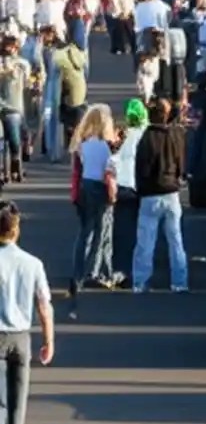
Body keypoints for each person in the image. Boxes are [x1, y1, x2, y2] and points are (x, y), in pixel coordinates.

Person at [0, 200, 54, 424]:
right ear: (16, 229)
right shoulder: (33, 263)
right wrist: (49, 340)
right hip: (21, 336)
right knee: (18, 399)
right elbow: (44, 305)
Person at [132, 98, 188, 292]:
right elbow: (181, 163)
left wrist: (140, 188)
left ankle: (141, 281)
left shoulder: (147, 138)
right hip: (172, 192)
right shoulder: (176, 134)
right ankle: (179, 282)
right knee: (176, 240)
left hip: (150, 194)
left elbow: (141, 168)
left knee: (145, 242)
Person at [69, 104, 120, 298]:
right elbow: (110, 169)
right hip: (100, 188)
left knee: (84, 233)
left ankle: (78, 274)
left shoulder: (82, 144)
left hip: (84, 187)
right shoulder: (105, 147)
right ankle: (96, 270)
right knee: (101, 231)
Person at [113, 99, 146, 284]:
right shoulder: (146, 135)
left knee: (121, 231)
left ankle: (120, 270)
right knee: (141, 232)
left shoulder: (122, 135)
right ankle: (138, 271)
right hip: (139, 186)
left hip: (121, 185)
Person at [44, 24, 86, 159]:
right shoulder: (74, 50)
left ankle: (53, 151)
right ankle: (75, 147)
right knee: (76, 121)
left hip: (65, 93)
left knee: (53, 118)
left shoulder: (56, 56)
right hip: (79, 91)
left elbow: (51, 78)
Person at [0, 35, 30, 183]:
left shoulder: (21, 64)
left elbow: (27, 80)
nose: (8, 50)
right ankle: (5, 171)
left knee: (14, 140)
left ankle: (15, 168)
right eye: (6, 47)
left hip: (14, 108)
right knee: (3, 141)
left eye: (11, 47)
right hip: (4, 108)